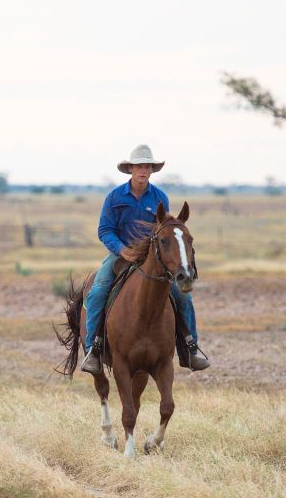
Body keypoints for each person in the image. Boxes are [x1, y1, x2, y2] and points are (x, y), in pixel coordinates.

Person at [80, 144, 210, 375]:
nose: (143, 170)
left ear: (152, 170)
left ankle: (190, 349)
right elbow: (105, 230)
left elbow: (165, 231)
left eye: (147, 166)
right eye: (139, 166)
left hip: (152, 258)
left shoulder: (160, 197)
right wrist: (122, 250)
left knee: (182, 296)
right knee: (98, 291)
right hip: (120, 255)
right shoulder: (114, 197)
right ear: (130, 169)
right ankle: (93, 350)